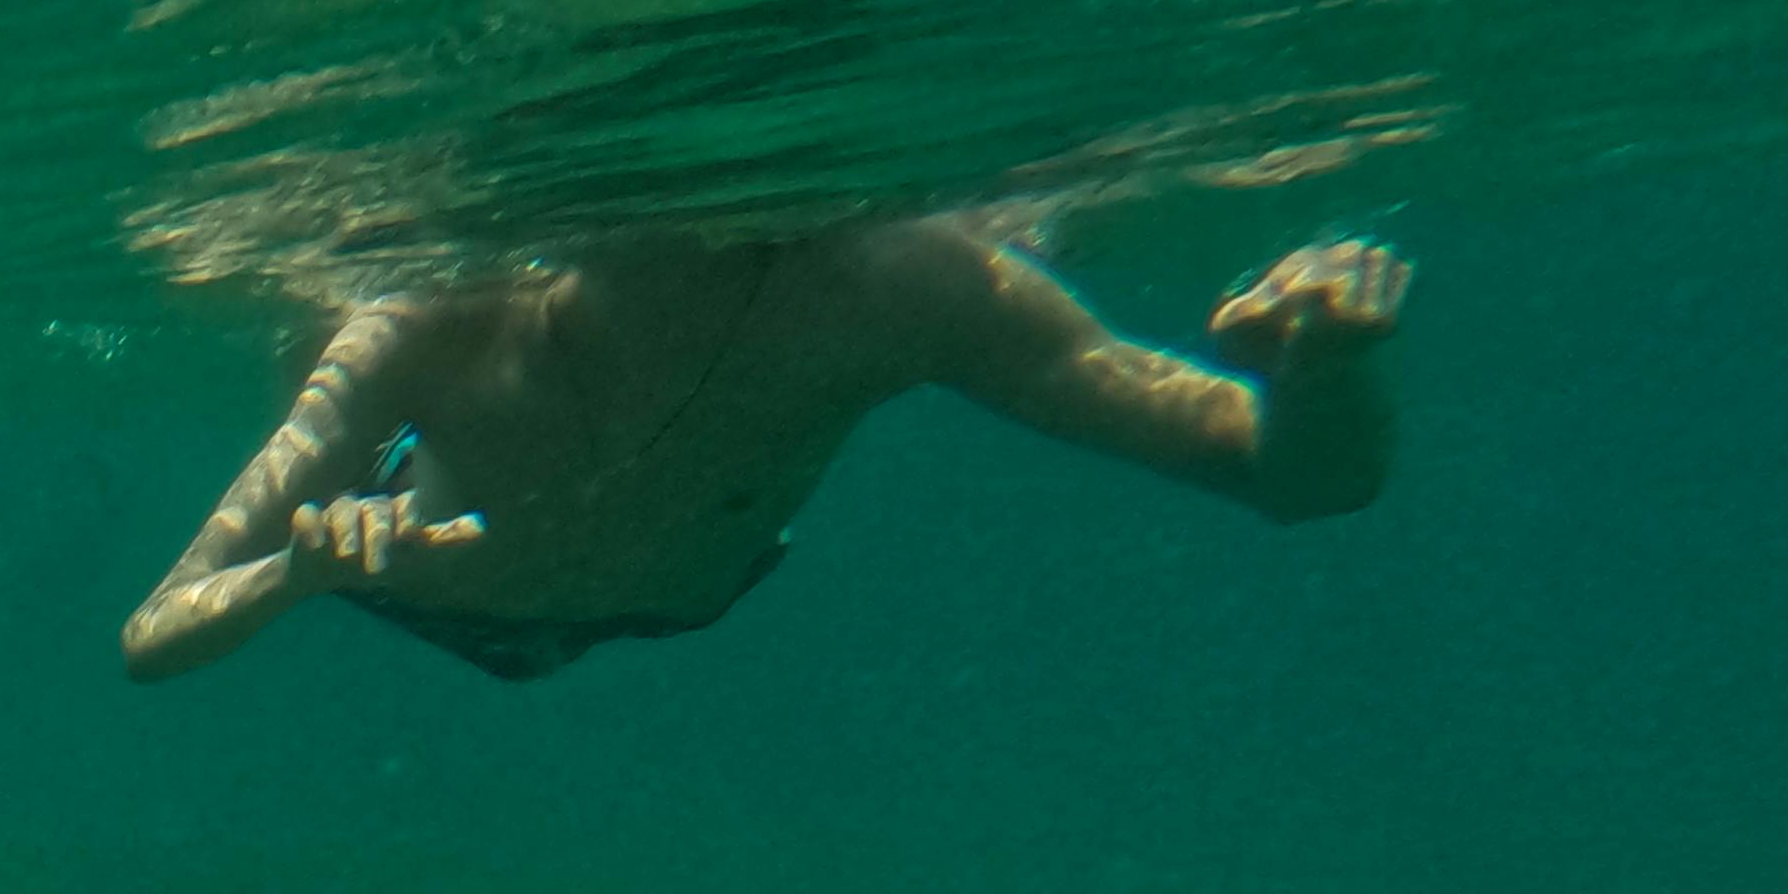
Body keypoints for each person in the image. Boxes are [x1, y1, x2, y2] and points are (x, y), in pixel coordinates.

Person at [116, 219, 1407, 685]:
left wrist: (1328, 378)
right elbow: (155, 633)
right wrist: (300, 575)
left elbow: (1298, 480)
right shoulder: (420, 318)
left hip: (689, 599)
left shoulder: (905, 288)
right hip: (449, 611)